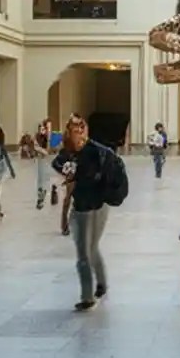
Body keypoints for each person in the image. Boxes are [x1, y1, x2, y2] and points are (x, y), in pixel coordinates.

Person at [65, 114, 114, 310]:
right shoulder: (69, 153)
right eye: (73, 131)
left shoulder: (92, 153)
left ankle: (87, 296)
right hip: (82, 206)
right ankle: (101, 283)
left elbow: (90, 179)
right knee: (88, 248)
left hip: (95, 206)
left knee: (85, 251)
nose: (77, 134)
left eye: (80, 130)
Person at [53, 116, 84, 236]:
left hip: (82, 176)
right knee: (68, 200)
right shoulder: (66, 149)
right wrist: (65, 171)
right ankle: (64, 225)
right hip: (72, 178)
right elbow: (56, 162)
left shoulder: (84, 146)